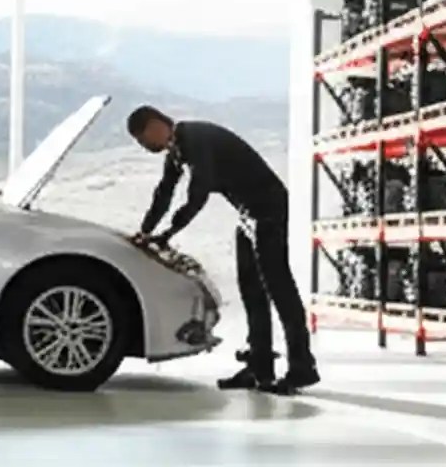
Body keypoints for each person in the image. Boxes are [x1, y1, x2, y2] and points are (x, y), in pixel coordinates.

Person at [125, 105, 320, 395]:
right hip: (248, 214)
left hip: (268, 211)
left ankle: (302, 368)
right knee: (251, 290)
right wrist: (146, 230)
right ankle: (259, 366)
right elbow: (164, 192)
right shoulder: (178, 150)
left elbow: (198, 193)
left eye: (143, 140)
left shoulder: (195, 139)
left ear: (155, 127)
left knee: (280, 289)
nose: (144, 148)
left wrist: (168, 233)